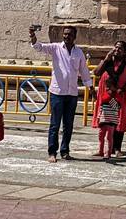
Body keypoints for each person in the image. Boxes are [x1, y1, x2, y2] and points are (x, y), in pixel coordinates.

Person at [30, 24, 92, 162]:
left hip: (72, 93)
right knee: (55, 124)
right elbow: (39, 47)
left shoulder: (79, 53)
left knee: (68, 125)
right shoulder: (56, 48)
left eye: (69, 34)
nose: (66, 36)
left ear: (74, 37)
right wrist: (32, 36)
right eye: (65, 34)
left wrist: (90, 86)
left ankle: (65, 151)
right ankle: (52, 152)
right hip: (57, 92)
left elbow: (84, 70)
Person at [95, 41, 126, 158]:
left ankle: (117, 148)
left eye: (120, 48)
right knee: (105, 119)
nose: (117, 50)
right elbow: (97, 73)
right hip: (107, 95)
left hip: (120, 94)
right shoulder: (108, 61)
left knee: (119, 119)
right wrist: (106, 59)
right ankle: (103, 149)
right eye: (116, 47)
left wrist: (123, 89)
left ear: (124, 52)